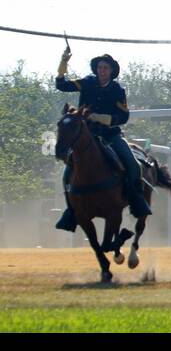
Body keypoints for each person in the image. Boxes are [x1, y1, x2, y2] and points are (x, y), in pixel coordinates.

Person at [54, 52, 150, 232]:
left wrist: (102, 118)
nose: (102, 71)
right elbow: (61, 85)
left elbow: (123, 116)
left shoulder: (118, 90)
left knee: (133, 165)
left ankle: (137, 202)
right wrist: (63, 62)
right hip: (87, 136)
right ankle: (71, 211)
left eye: (105, 68)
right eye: (99, 67)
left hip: (111, 135)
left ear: (111, 70)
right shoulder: (87, 82)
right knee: (67, 173)